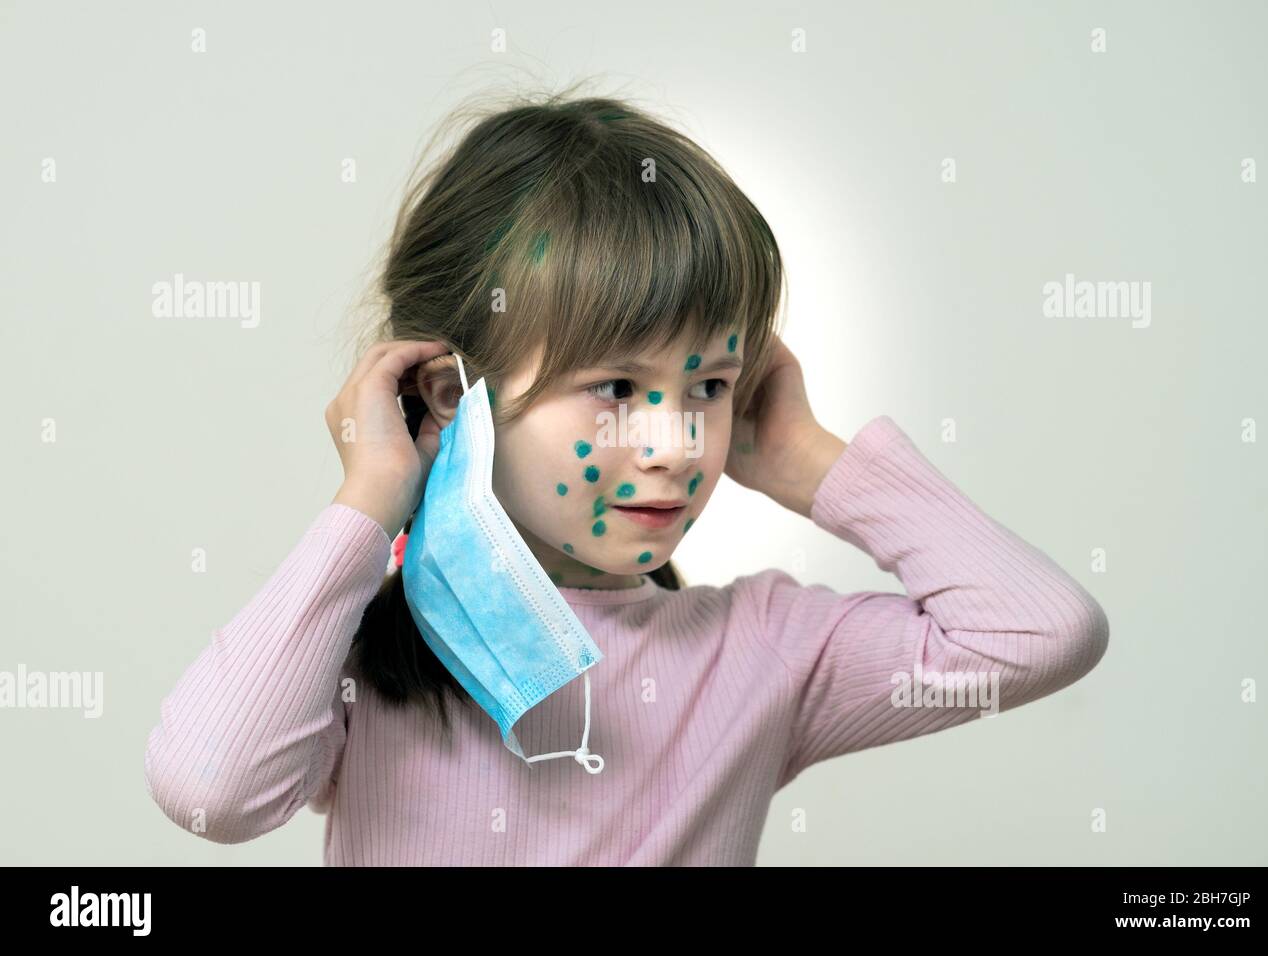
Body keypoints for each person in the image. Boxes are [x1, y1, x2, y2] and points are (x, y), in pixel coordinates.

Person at [144, 90, 1109, 865]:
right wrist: (368, 502)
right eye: (614, 385)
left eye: (711, 386)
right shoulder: (364, 660)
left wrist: (806, 457)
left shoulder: (761, 652)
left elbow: (1039, 632)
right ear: (451, 397)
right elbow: (209, 792)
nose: (677, 442)